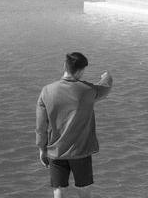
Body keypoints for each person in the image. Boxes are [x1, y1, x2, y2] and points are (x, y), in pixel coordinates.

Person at [36, 52, 113, 198]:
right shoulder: (88, 90)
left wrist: (41, 148)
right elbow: (105, 87)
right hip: (80, 151)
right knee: (84, 190)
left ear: (64, 66)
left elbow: (41, 127)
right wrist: (107, 76)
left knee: (58, 189)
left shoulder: (46, 91)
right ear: (80, 70)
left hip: (56, 151)